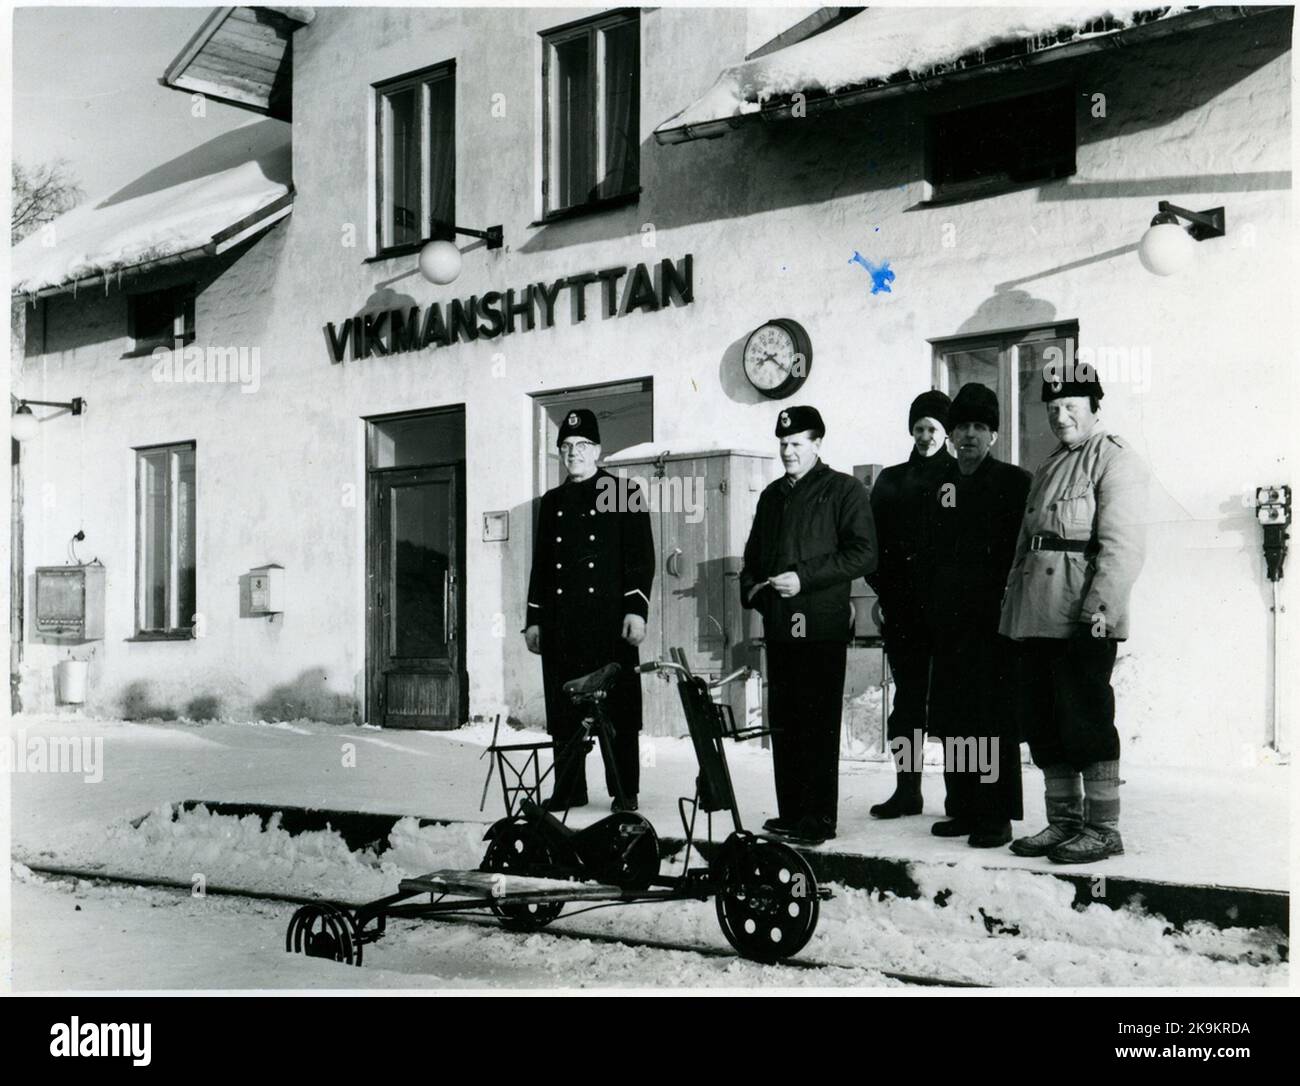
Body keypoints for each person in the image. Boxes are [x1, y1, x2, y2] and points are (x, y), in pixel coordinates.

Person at [999, 365, 1147, 864]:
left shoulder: (1113, 460)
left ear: (1094, 409)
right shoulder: (1048, 466)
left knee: (1085, 719)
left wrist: (1098, 613)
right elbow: (1026, 546)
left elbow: (1122, 547)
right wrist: (1011, 611)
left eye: (1072, 408)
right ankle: (1064, 823)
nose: (1061, 416)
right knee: (1044, 722)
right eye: (1054, 408)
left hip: (1080, 615)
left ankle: (1103, 829)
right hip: (1035, 616)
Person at [740, 406, 877, 844]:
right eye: (783, 443)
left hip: (819, 626)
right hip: (781, 628)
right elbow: (754, 558)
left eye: (797, 443)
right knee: (784, 723)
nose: (787, 451)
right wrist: (755, 593)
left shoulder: (844, 490)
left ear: (818, 444)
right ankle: (791, 812)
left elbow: (863, 554)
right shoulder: (772, 495)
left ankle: (818, 819)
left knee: (817, 724)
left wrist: (804, 578)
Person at [524, 409, 655, 812]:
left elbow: (641, 557)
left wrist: (637, 609)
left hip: (608, 624)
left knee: (618, 710)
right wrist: (534, 618)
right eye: (566, 447)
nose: (573, 453)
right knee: (564, 710)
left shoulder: (622, 491)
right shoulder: (552, 501)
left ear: (597, 450)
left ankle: (623, 790)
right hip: (563, 624)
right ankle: (569, 788)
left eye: (581, 446)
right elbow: (542, 564)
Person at [926, 384, 1030, 847]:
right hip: (948, 621)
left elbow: (1021, 553)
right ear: (950, 434)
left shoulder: (1013, 483)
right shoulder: (941, 484)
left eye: (979, 427)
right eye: (962, 426)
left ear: (993, 434)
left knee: (990, 717)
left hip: (995, 622)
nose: (969, 435)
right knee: (954, 715)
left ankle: (995, 814)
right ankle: (963, 806)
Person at [865, 389, 954, 819]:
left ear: (946, 431)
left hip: (950, 611)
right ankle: (907, 789)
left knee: (953, 703)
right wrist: (885, 588)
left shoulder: (960, 475)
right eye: (918, 428)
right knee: (907, 703)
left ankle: (961, 796)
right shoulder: (890, 480)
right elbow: (870, 542)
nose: (925, 436)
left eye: (933, 428)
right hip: (902, 611)